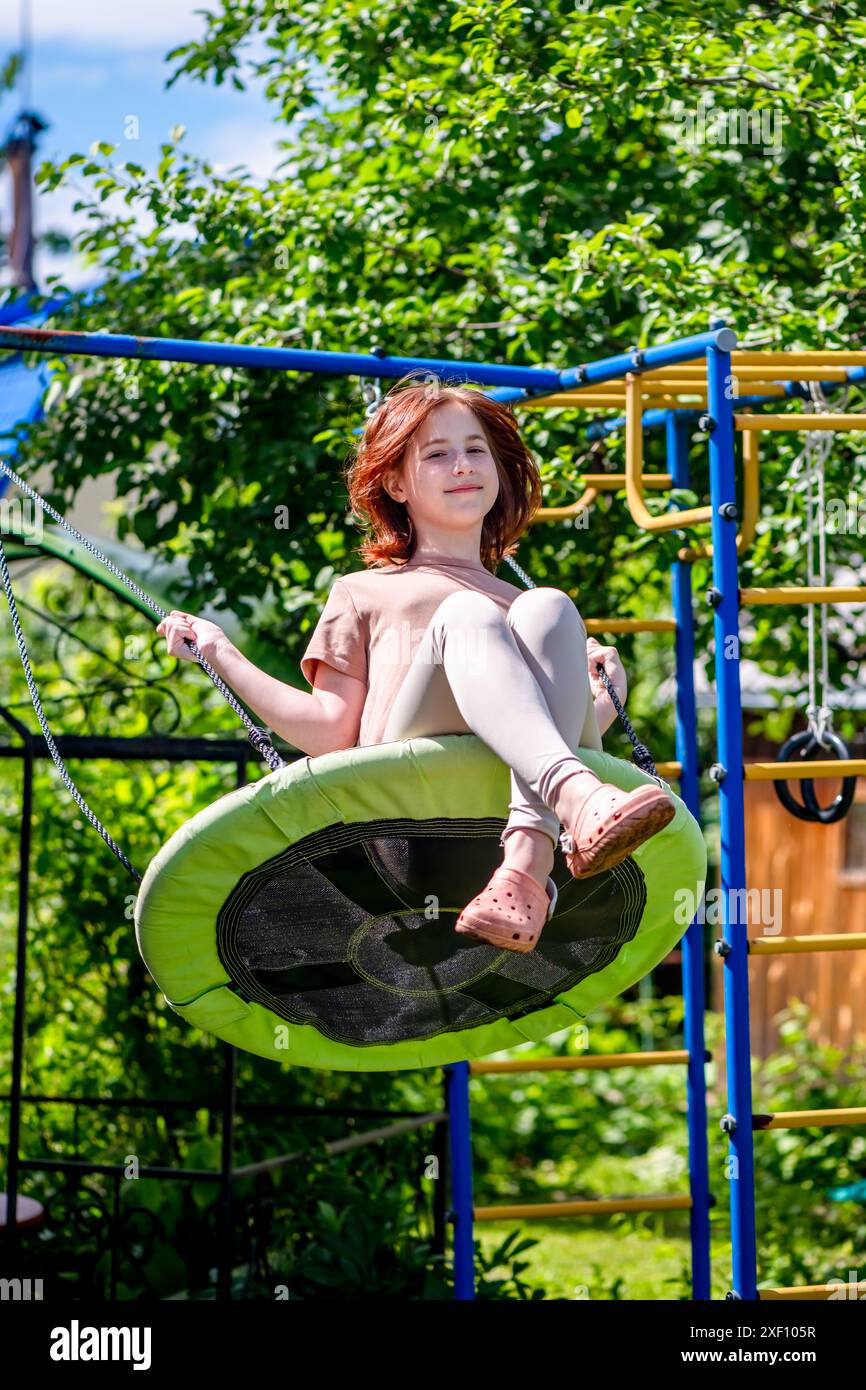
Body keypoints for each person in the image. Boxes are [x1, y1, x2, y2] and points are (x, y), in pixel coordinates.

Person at [156, 372, 673, 954]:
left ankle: (527, 871)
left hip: (502, 834)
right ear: (397, 484)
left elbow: (536, 733)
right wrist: (222, 653)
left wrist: (607, 697)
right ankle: (576, 800)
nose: (462, 466)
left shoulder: (524, 608)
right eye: (438, 454)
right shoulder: (365, 591)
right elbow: (329, 733)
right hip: (407, 828)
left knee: (550, 607)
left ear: (499, 473)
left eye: (476, 450)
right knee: (469, 617)